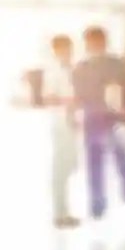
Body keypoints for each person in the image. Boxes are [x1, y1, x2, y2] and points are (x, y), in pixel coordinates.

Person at [71, 26, 125, 219]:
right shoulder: (82, 67)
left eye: (98, 41)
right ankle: (98, 203)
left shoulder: (116, 64)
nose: (96, 45)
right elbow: (77, 95)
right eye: (92, 42)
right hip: (93, 117)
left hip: (113, 117)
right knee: (96, 160)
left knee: (122, 158)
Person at [43, 34, 80, 228]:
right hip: (60, 123)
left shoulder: (69, 69)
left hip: (69, 121)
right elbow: (48, 97)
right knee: (60, 169)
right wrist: (67, 102)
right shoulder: (53, 70)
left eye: (70, 49)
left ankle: (64, 212)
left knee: (69, 166)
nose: (69, 53)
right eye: (66, 49)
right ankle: (60, 214)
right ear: (57, 50)